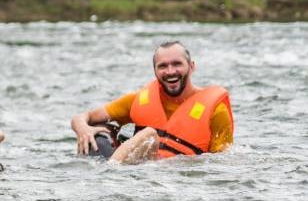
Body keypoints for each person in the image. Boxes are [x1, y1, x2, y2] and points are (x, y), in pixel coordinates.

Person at [70, 40, 234, 164]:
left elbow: (221, 162)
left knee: (149, 134)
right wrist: (83, 129)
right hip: (137, 170)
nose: (170, 72)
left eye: (177, 64)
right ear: (155, 70)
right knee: (120, 133)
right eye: (163, 66)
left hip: (181, 176)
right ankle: (106, 174)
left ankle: (107, 172)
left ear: (191, 67)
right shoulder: (136, 100)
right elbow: (83, 117)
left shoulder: (216, 111)